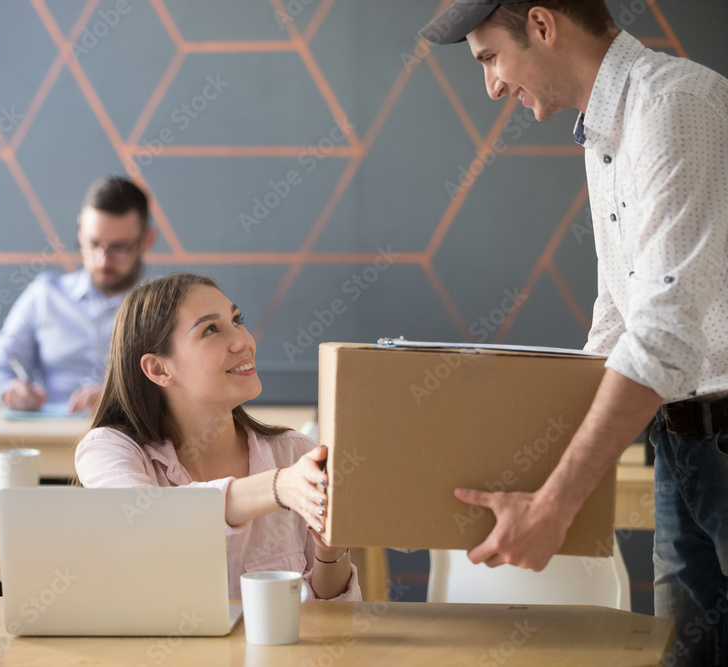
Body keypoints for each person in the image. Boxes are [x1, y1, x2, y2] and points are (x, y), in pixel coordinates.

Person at [421, 2, 728, 664]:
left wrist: (556, 501)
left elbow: (663, 332)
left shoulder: (674, 106)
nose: (492, 86)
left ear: (541, 24)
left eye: (489, 58)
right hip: (681, 449)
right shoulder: (606, 132)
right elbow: (615, 320)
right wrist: (530, 472)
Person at [75, 273, 360, 602]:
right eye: (211, 329)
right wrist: (279, 487)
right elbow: (149, 521)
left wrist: (332, 548)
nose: (243, 341)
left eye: (237, 320)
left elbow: (336, 618)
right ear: (159, 369)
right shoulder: (107, 451)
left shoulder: (295, 453)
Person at [0, 176, 156, 414]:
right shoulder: (44, 296)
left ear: (147, 240)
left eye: (119, 248)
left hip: (133, 441)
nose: (103, 259)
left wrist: (119, 399)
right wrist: (8, 391)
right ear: (81, 232)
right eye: (93, 243)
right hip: (50, 439)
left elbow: (189, 391)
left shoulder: (170, 307)